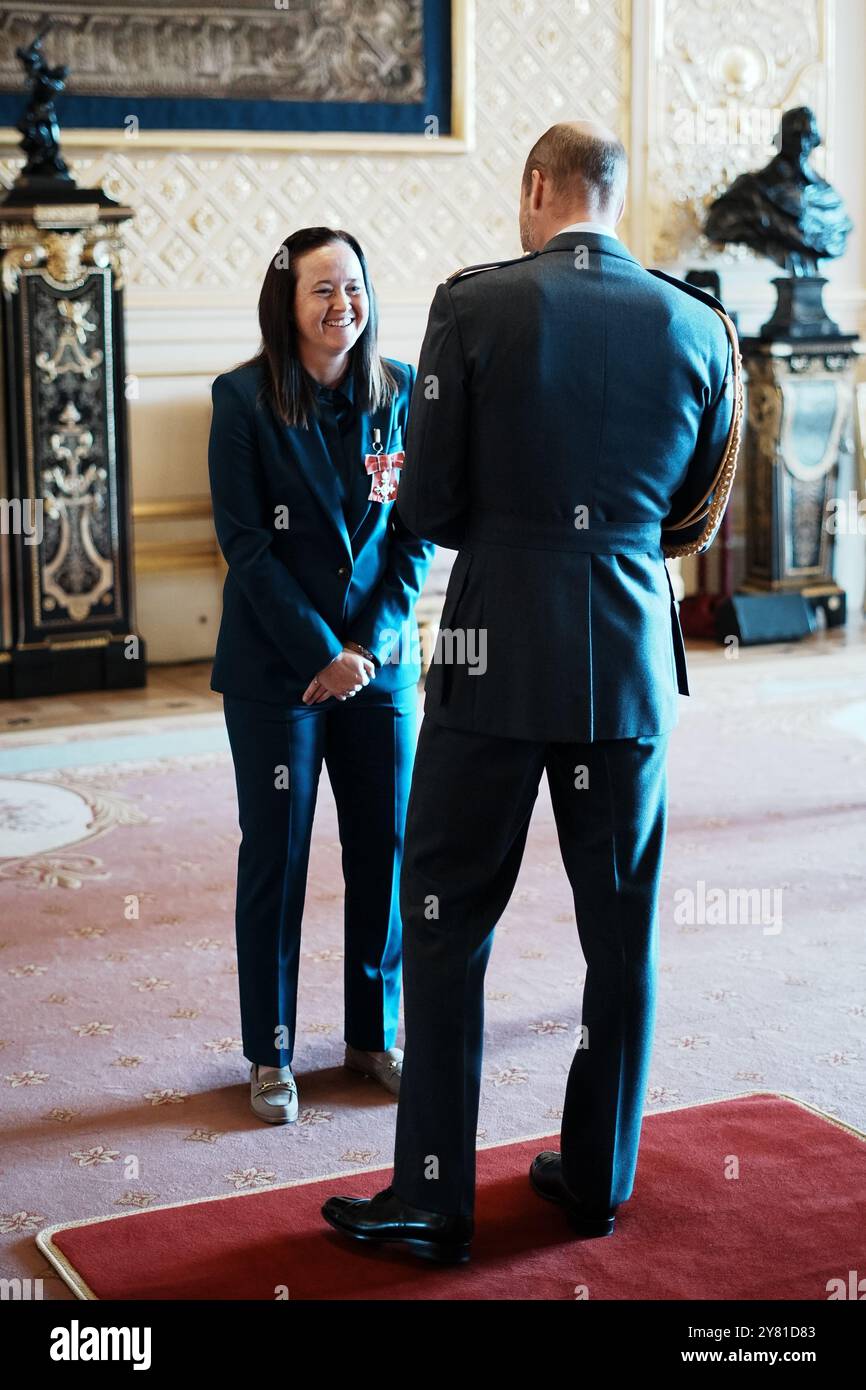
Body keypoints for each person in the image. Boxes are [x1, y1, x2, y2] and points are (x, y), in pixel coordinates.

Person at [322, 122, 738, 1261]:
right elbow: (693, 515)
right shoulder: (699, 323)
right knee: (622, 931)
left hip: (493, 658)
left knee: (448, 916)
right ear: (615, 193)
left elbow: (434, 505)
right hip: (626, 665)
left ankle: (431, 1195)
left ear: (535, 189)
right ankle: (597, 1177)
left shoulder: (474, 305)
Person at [208, 227, 434, 1124]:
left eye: (354, 288)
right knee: (279, 855)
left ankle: (372, 1037)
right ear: (287, 304)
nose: (344, 306)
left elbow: (416, 532)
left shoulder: (402, 391)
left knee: (384, 850)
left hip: (378, 672)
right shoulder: (242, 400)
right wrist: (320, 656)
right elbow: (246, 547)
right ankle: (270, 1054)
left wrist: (366, 650)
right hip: (280, 674)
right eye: (321, 292)